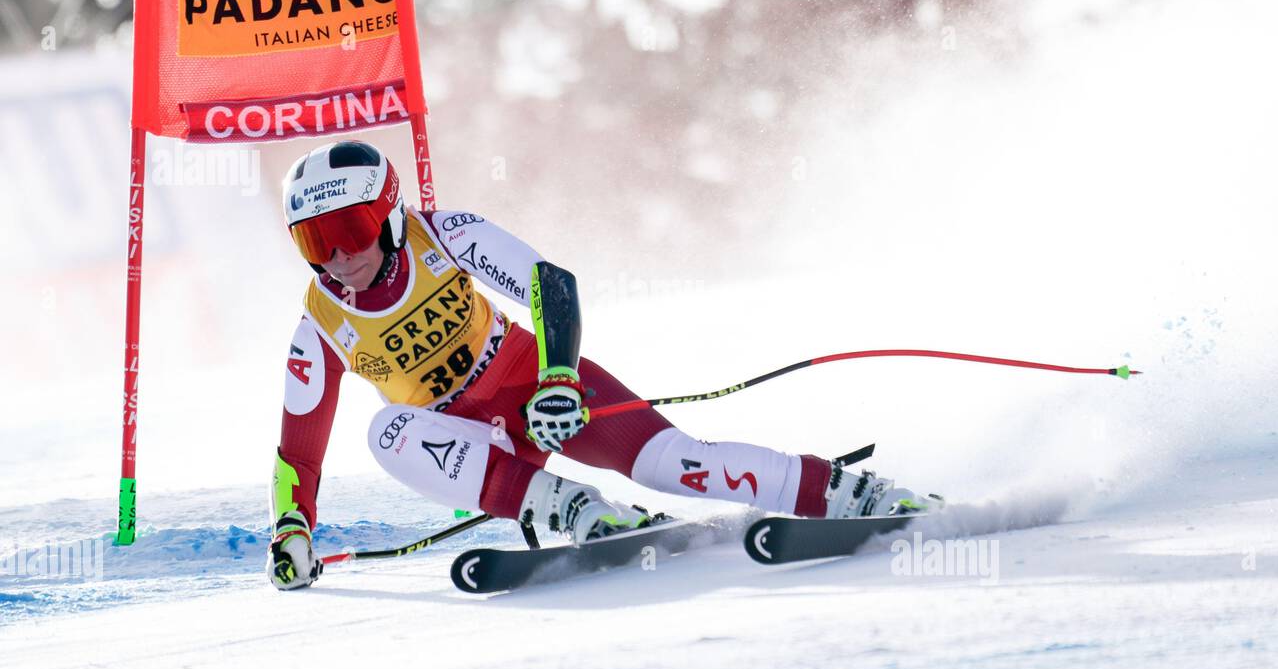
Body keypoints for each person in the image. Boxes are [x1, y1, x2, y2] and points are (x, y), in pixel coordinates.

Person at [268, 140, 935, 590]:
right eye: (313, 240)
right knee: (386, 433)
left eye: (349, 230)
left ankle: (855, 495)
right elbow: (299, 453)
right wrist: (292, 529)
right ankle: (580, 511)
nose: (336, 257)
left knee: (680, 464)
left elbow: (548, 283)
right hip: (475, 444)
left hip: (535, 387)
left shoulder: (444, 235)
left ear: (387, 215)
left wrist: (558, 378)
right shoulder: (320, 326)